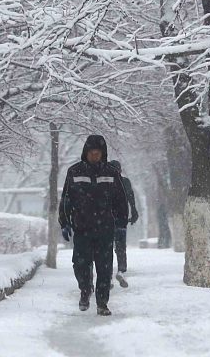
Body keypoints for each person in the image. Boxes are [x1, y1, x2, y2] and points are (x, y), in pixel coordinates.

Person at [59, 134, 129, 316]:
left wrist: (121, 224)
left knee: (104, 268)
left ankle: (102, 303)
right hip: (82, 227)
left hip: (105, 229)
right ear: (86, 152)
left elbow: (121, 200)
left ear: (103, 153)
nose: (95, 156)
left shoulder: (112, 173)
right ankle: (85, 289)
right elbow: (66, 199)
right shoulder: (74, 172)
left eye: (98, 153)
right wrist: (65, 222)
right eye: (91, 152)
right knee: (80, 264)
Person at [107, 159, 140, 287]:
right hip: (121, 219)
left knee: (107, 248)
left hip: (106, 221)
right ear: (120, 170)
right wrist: (134, 212)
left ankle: (108, 275)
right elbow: (131, 198)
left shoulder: (105, 183)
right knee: (120, 247)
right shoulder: (125, 182)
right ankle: (121, 270)